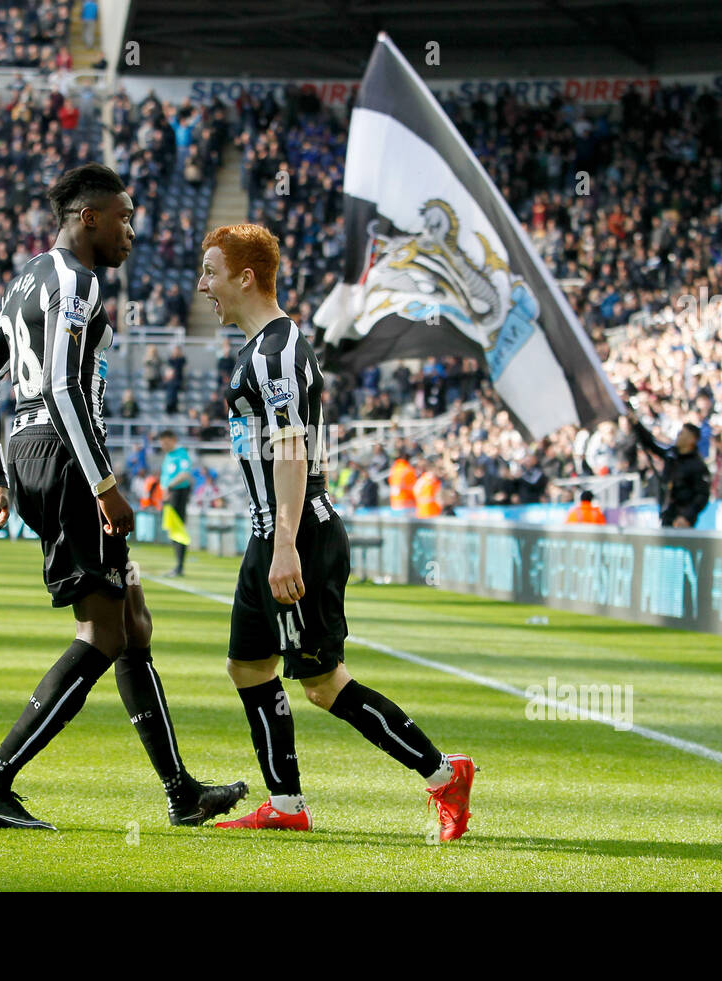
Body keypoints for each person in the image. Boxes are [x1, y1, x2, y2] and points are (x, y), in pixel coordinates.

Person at [0, 163, 245, 830]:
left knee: (132, 620)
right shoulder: (75, 280)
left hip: (31, 454)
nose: (132, 232)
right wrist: (105, 484)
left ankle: (181, 790)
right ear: (89, 217)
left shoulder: (28, 278)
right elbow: (63, 388)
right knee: (103, 631)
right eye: (124, 218)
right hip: (66, 459)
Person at [198, 223, 475, 840]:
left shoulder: (275, 351)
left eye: (211, 272)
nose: (203, 285)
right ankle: (287, 804)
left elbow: (294, 446)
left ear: (246, 277)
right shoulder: (259, 349)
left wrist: (287, 544)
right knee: (249, 667)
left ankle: (442, 773)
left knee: (323, 683)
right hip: (268, 533)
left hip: (297, 535)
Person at [628, 411, 709, 528]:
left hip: (682, 517)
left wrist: (687, 516)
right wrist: (636, 424)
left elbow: (702, 495)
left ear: (692, 439)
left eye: (682, 434)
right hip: (668, 512)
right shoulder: (672, 455)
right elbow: (651, 444)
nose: (678, 436)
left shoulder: (697, 465)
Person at [158, 429, 193, 575]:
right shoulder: (168, 456)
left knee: (178, 529)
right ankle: (177, 566)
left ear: (173, 440)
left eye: (166, 442)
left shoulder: (181, 454)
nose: (163, 446)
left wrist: (169, 486)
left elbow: (185, 474)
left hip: (178, 494)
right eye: (162, 443)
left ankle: (180, 566)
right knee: (173, 529)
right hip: (169, 496)